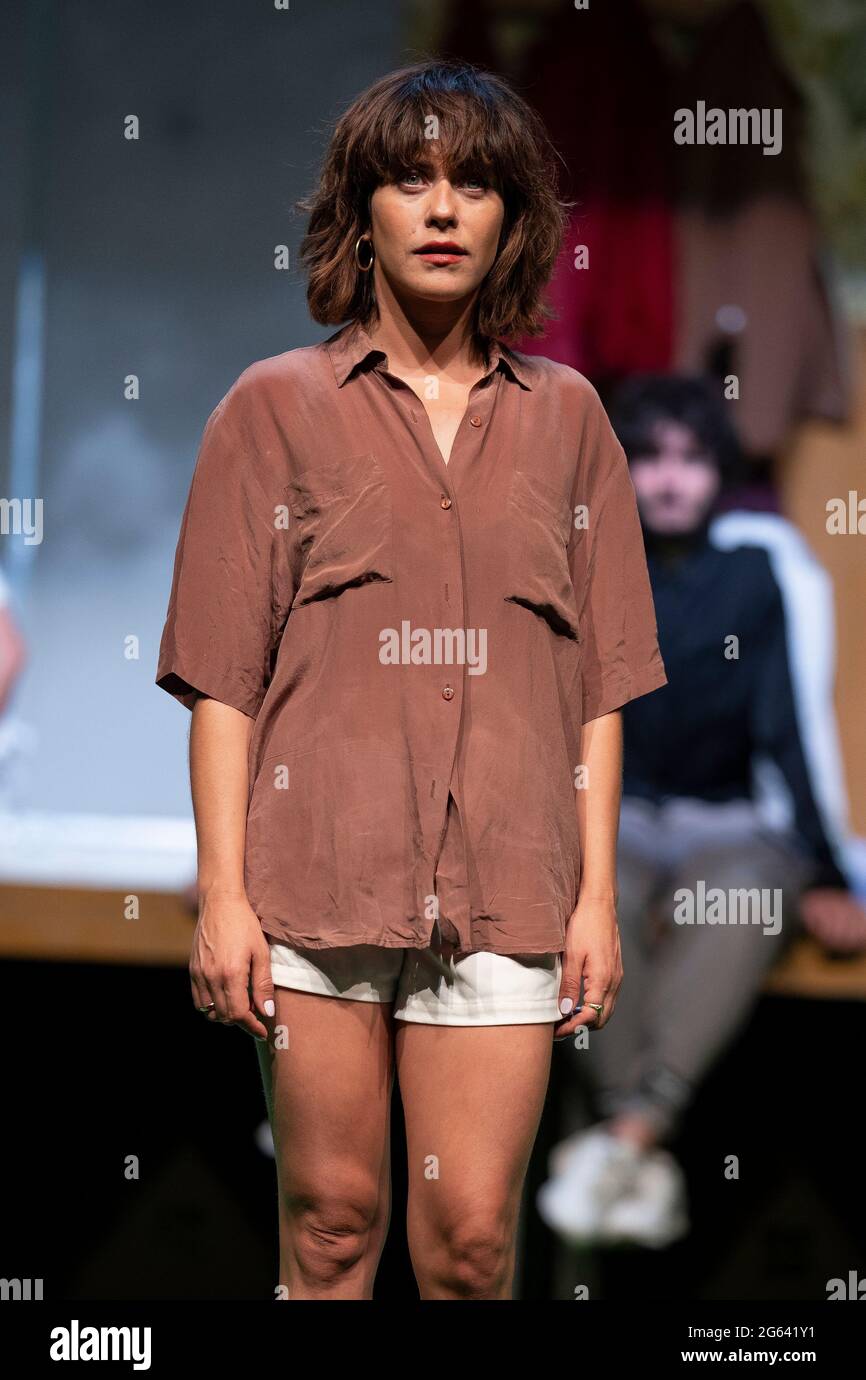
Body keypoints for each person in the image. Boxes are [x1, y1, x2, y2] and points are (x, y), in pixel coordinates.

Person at [154, 60, 667, 1300]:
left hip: (504, 884)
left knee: (474, 1243)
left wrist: (594, 899)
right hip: (316, 882)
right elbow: (222, 680)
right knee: (330, 1224)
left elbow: (599, 687)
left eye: (474, 184)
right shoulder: (270, 409)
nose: (442, 209)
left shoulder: (571, 422)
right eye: (411, 178)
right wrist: (223, 895)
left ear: (511, 223)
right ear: (362, 211)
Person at [537, 374, 866, 1250]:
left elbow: (786, 725)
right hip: (617, 815)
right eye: (648, 459)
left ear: (718, 472)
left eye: (689, 459)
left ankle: (624, 1137)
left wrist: (829, 873)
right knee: (583, 894)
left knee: (753, 892)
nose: (671, 479)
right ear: (620, 470)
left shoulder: (754, 574)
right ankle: (637, 1139)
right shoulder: (583, 566)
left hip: (727, 821)